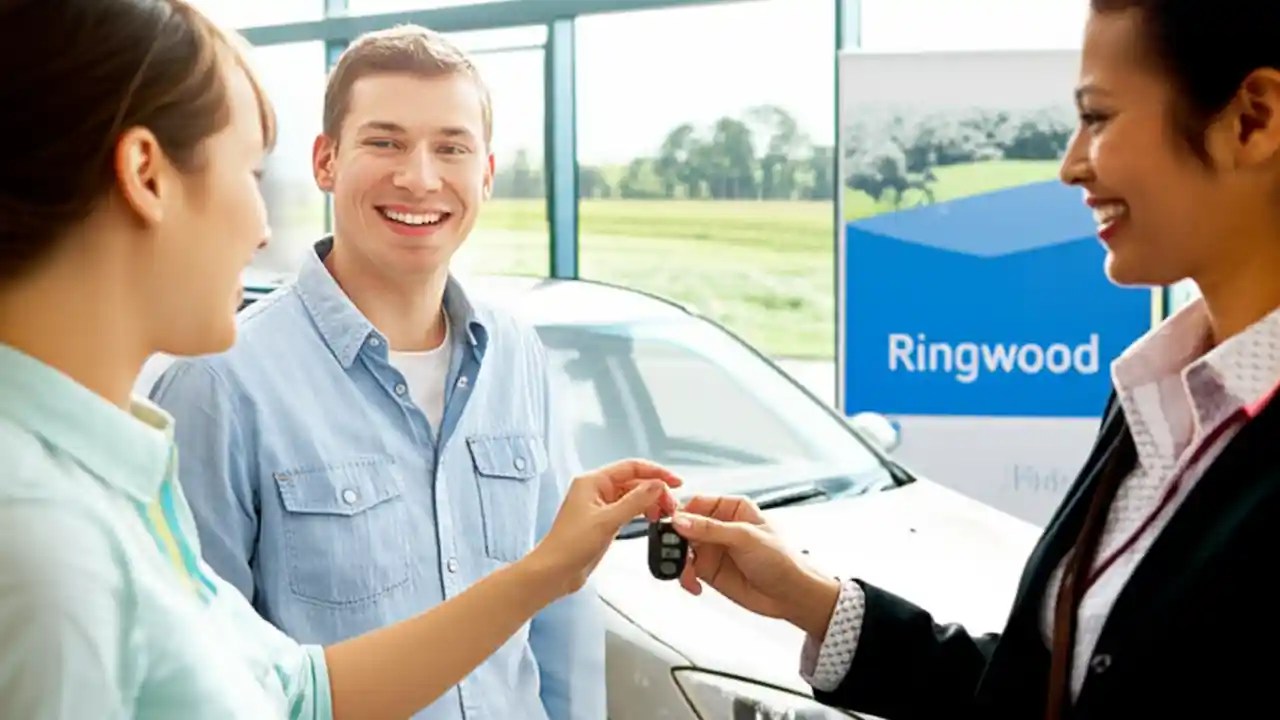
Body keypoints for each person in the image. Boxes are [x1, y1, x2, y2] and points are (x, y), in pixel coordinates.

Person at [0, 2, 679, 719]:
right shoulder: (46, 539)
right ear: (146, 174)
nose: (264, 229)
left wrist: (545, 571)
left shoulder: (119, 482)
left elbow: (298, 691)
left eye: (450, 148)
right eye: (251, 172)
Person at [670, 1, 1280, 718]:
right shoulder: (1152, 398)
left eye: (1098, 117)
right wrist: (814, 603)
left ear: (1254, 120)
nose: (1070, 165)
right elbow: (1041, 690)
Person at [142, 24, 605, 720]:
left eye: (451, 147)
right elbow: (202, 682)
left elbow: (560, 622)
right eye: (384, 142)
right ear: (326, 161)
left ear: (485, 173)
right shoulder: (219, 383)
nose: (419, 176)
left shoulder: (518, 356)